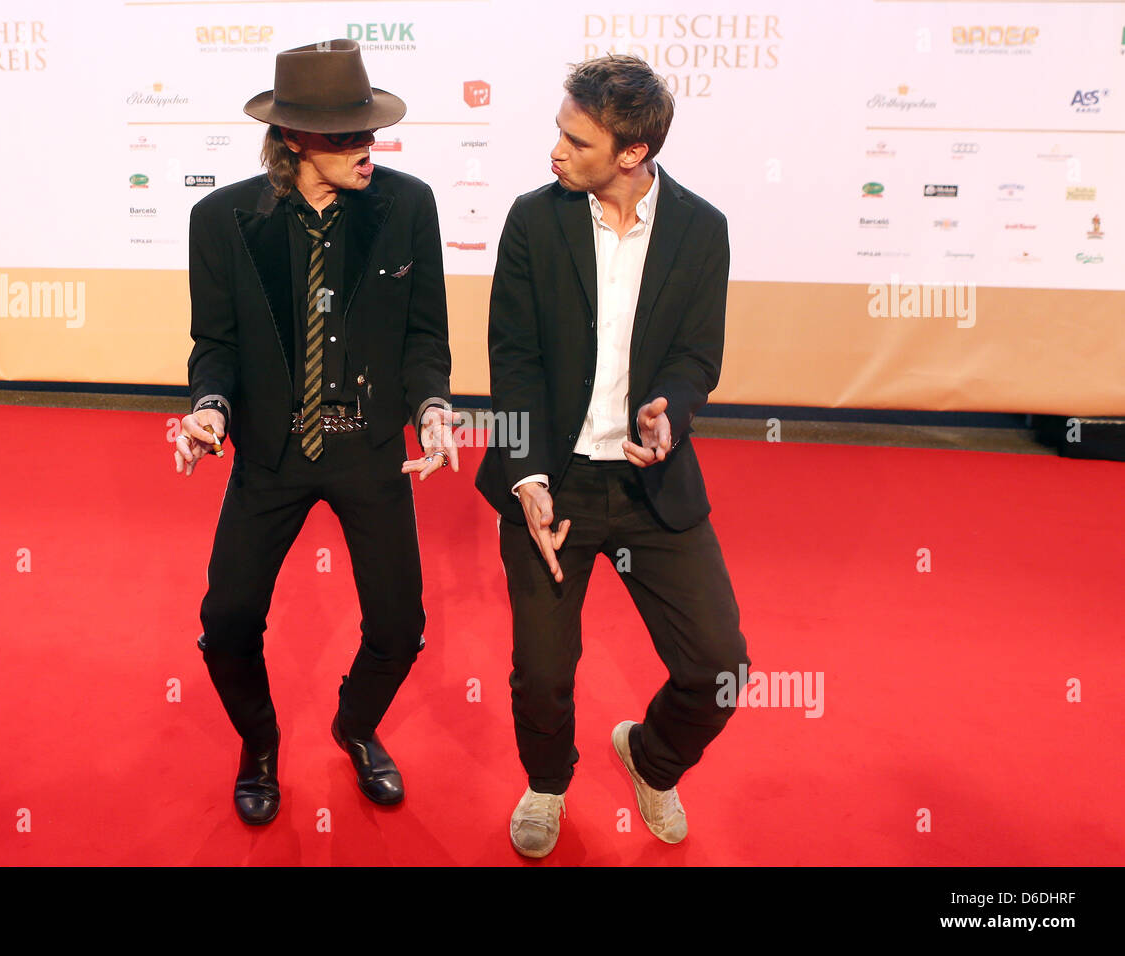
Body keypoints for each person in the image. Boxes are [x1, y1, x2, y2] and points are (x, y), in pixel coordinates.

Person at [174, 39, 456, 825]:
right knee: (226, 622)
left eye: (370, 131)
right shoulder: (222, 219)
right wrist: (208, 409)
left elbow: (425, 337)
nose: (369, 148)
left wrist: (432, 406)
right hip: (272, 452)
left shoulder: (408, 206)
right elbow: (216, 345)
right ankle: (259, 744)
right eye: (347, 136)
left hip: (370, 451)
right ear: (296, 139)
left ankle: (355, 727)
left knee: (400, 629)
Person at [474, 54, 750, 857]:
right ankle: (547, 784)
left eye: (575, 141)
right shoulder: (535, 220)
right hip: (550, 484)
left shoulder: (702, 229)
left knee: (718, 666)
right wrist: (524, 476)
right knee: (544, 675)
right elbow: (513, 358)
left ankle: (651, 757)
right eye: (559, 132)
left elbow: (698, 355)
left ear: (632, 154)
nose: (554, 152)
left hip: (651, 487)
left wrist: (673, 410)